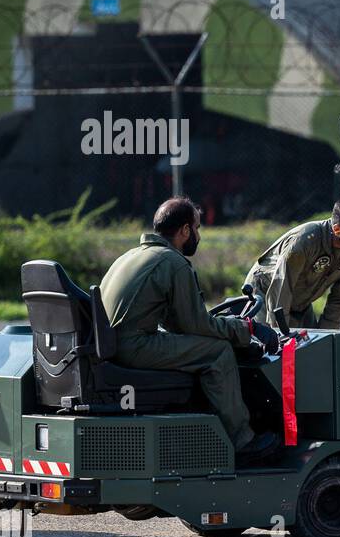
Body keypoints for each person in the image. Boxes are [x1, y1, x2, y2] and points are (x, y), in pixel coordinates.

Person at [99, 197, 281, 462]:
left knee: (204, 344)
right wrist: (247, 329)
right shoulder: (173, 263)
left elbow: (176, 322)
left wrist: (226, 327)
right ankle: (242, 441)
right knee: (217, 352)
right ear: (184, 230)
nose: (198, 235)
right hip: (133, 347)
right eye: (197, 228)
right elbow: (195, 324)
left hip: (117, 344)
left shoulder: (133, 255)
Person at [244, 195, 340, 331]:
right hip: (264, 295)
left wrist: (328, 335)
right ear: (337, 230)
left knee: (316, 347)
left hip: (301, 302)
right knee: (268, 346)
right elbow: (282, 286)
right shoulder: (305, 242)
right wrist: (279, 332)